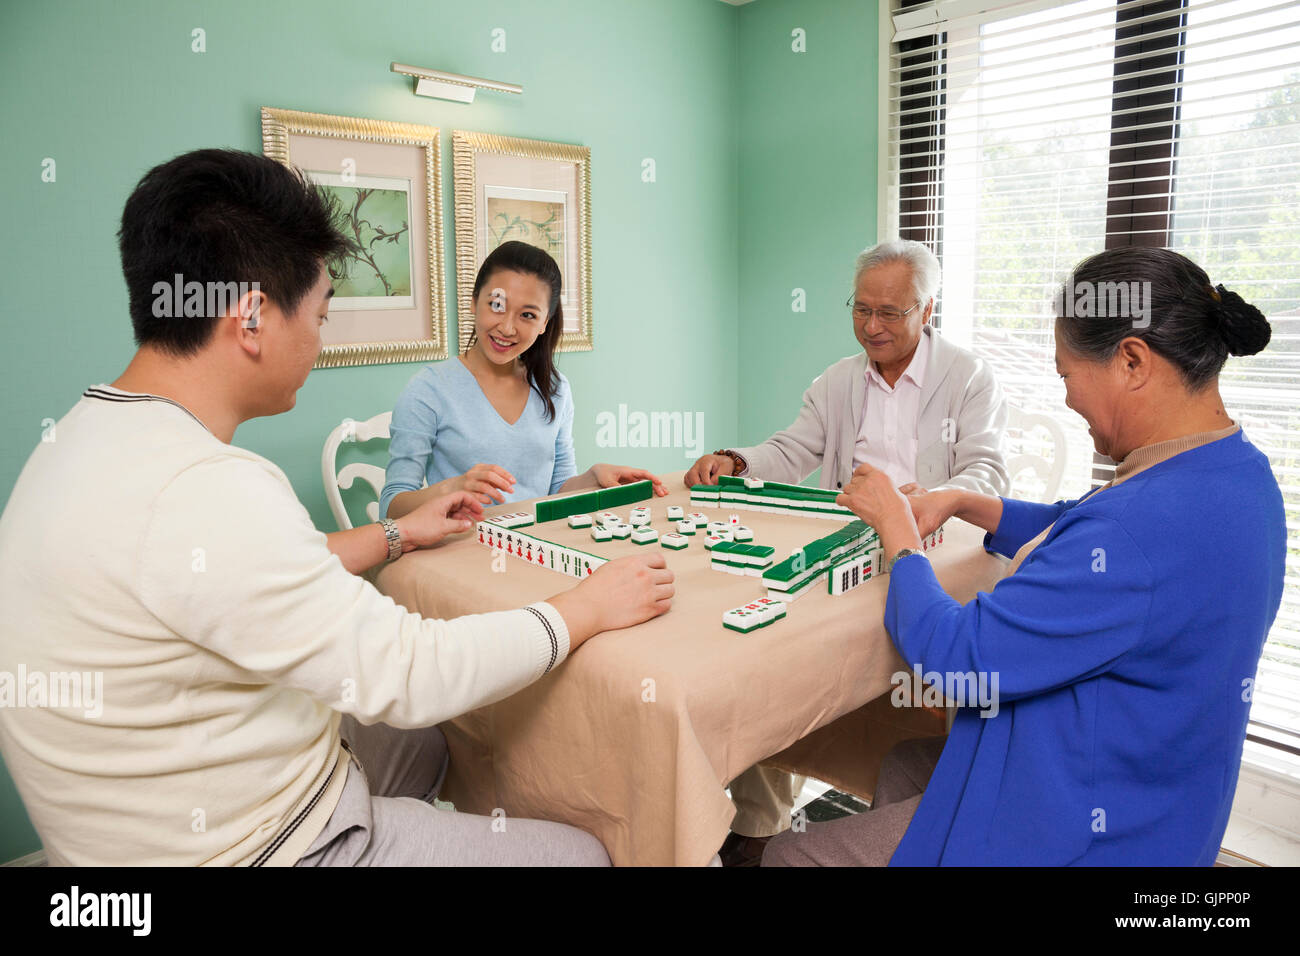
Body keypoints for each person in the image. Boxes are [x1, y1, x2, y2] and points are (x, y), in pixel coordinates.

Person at [0, 148, 674, 867]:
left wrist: (395, 532)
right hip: (266, 846)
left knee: (440, 744)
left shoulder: (86, 439)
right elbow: (412, 670)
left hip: (173, 807)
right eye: (320, 314)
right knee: (588, 856)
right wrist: (586, 609)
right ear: (252, 320)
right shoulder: (209, 486)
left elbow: (240, 573)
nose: (320, 341)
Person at [763, 246, 1284, 865]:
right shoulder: (1236, 476)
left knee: (786, 856)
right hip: (1163, 788)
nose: (1067, 400)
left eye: (1067, 376)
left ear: (1132, 361)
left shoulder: (1132, 530)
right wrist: (962, 500)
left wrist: (899, 538)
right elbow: (1078, 522)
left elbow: (959, 660)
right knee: (904, 761)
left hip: (1085, 823)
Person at [685, 238, 1010, 865]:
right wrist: (737, 459)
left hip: (932, 560)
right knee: (771, 655)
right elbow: (794, 450)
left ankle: (910, 817)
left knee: (911, 684)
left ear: (927, 309)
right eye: (861, 310)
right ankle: (756, 824)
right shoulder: (838, 380)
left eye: (891, 312)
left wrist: (934, 498)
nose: (873, 326)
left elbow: (989, 476)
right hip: (847, 554)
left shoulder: (969, 377)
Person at [381, 240, 665, 519]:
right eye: (496, 304)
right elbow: (392, 506)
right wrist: (452, 488)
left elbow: (557, 491)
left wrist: (593, 477)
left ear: (544, 323)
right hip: (459, 552)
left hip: (533, 550)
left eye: (527, 315)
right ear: (473, 301)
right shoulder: (429, 389)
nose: (507, 327)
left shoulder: (555, 390)